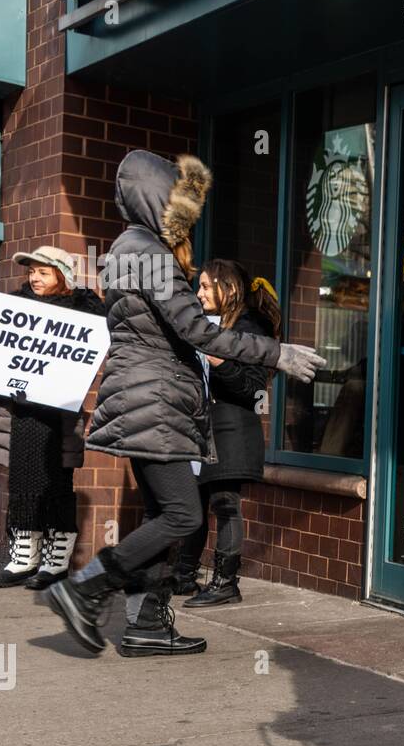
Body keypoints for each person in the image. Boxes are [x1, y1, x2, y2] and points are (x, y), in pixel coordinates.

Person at [47, 150, 325, 658]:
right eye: (178, 205)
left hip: (144, 400)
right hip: (155, 402)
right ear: (157, 201)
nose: (184, 220)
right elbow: (198, 331)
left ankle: (146, 625)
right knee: (183, 516)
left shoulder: (127, 250)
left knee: (160, 513)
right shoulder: (149, 253)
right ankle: (84, 586)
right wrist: (276, 352)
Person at [0, 247, 105, 589]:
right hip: (21, 410)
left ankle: (56, 562)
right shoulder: (15, 305)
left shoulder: (81, 307)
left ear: (62, 276)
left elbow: (100, 330)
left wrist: (83, 296)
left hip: (59, 414)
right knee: (21, 481)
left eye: (44, 272)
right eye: (32, 271)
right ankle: (24, 558)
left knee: (56, 483)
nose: (34, 278)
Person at [168, 260, 280, 607]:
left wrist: (216, 359)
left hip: (232, 430)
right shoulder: (209, 327)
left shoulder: (250, 328)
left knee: (225, 504)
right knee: (194, 501)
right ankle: (183, 575)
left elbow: (253, 389)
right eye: (197, 287)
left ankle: (226, 581)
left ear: (228, 288)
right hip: (201, 428)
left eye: (204, 286)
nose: (198, 293)